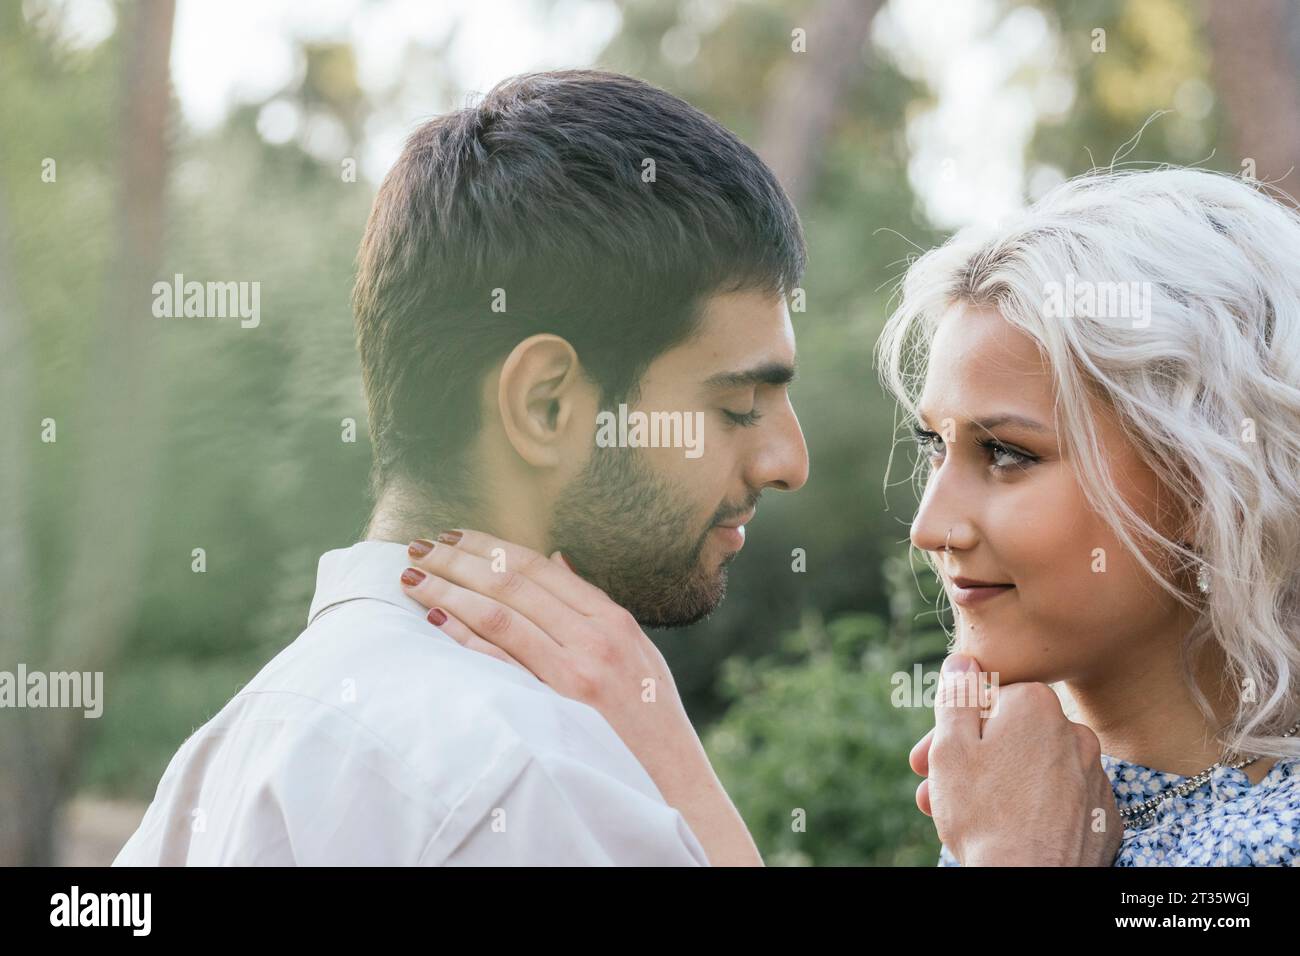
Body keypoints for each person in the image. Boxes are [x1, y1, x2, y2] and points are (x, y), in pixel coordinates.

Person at [406, 167, 1300, 866]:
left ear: (1204, 480)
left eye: (1008, 454)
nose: (930, 527)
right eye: (933, 449)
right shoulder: (1022, 787)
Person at [113, 69, 809, 866]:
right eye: (736, 409)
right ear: (546, 406)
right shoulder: (531, 785)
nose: (789, 462)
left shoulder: (217, 766)